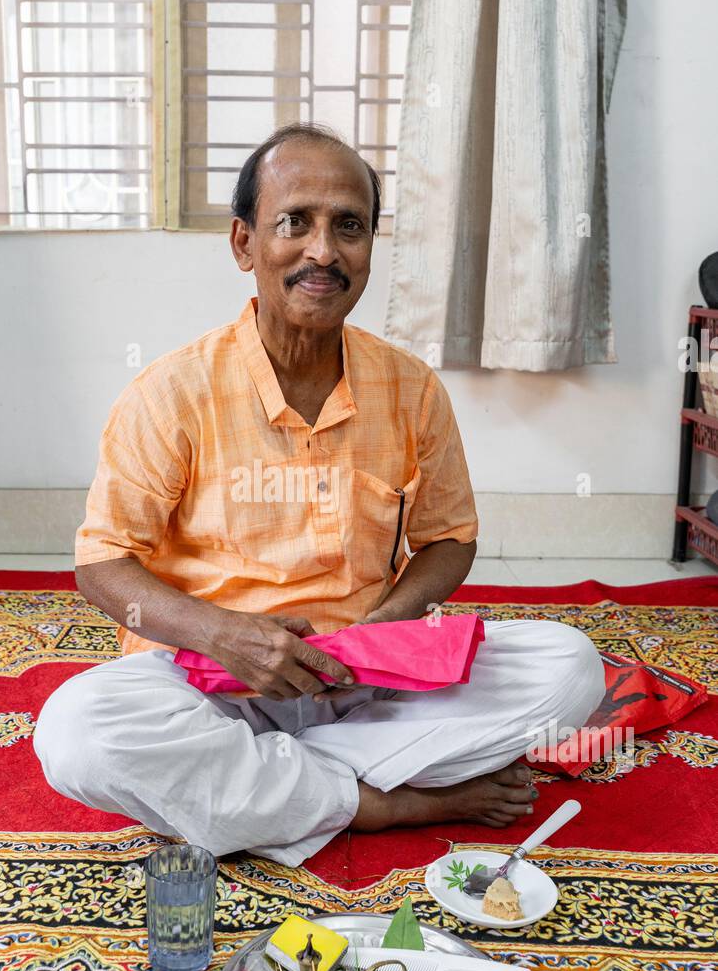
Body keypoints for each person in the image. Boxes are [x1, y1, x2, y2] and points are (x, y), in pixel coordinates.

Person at [33, 124, 605, 866]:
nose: (324, 251)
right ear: (243, 243)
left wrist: (390, 624)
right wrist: (221, 635)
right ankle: (384, 801)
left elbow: (448, 538)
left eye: (350, 227)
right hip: (212, 685)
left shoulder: (410, 388)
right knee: (78, 732)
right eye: (294, 222)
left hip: (368, 679)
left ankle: (273, 787)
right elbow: (103, 564)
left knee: (569, 666)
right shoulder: (170, 392)